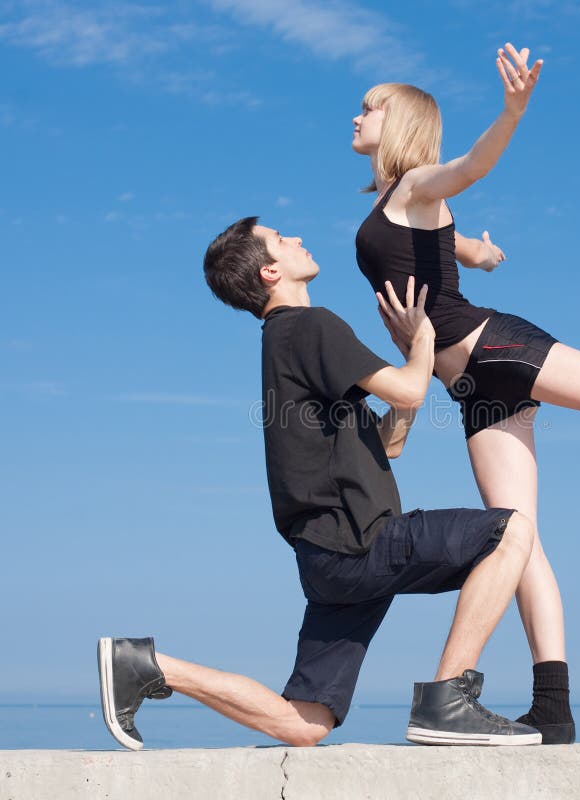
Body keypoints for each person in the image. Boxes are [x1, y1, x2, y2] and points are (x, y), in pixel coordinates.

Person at [352, 42, 580, 744]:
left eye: (369, 108)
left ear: (399, 122)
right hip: (470, 387)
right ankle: (551, 707)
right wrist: (481, 253)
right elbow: (455, 246)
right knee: (515, 540)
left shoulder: (416, 187)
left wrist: (512, 111)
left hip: (499, 346)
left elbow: (471, 168)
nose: (356, 116)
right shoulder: (397, 205)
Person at [97, 217, 544, 751]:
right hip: (359, 543)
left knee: (305, 723)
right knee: (511, 532)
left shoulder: (285, 341)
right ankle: (447, 701)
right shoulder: (309, 326)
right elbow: (406, 390)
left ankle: (145, 665)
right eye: (282, 240)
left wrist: (413, 369)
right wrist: (422, 343)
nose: (297, 239)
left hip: (328, 558)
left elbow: (391, 439)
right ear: (269, 270)